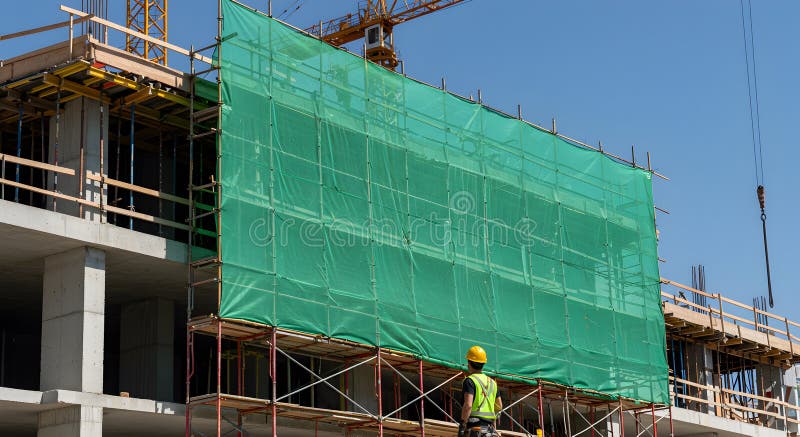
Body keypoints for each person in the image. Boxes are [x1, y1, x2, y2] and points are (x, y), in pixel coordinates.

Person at [458, 345, 502, 437]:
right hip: (488, 429)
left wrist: (462, 425)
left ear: (469, 363)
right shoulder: (492, 383)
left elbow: (468, 406)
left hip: (475, 429)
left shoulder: (470, 380)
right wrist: (493, 422)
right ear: (483, 363)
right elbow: (499, 406)